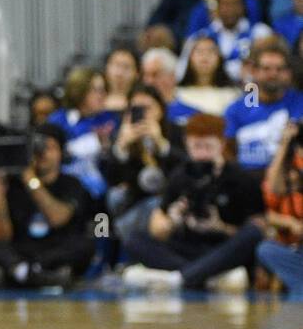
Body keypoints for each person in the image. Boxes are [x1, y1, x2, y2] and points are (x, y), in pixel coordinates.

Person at [121, 113, 265, 290]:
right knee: (134, 239)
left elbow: (259, 229)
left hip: (222, 248)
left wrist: (220, 227)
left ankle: (181, 277)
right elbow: (157, 229)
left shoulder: (241, 179)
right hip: (186, 247)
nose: (202, 153)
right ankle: (201, 276)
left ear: (221, 144)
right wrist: (173, 220)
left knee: (253, 234)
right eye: (197, 146)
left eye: (208, 146)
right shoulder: (180, 176)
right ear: (187, 145)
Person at [0, 123, 94, 287]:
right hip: (19, 250)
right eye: (37, 147)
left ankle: (22, 271)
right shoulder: (12, 184)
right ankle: (25, 271)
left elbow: (58, 218)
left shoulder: (71, 183)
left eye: (50, 147)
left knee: (85, 244)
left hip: (53, 249)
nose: (43, 153)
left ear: (61, 153)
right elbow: (0, 236)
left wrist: (30, 179)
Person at [101, 83, 188, 244]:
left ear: (161, 110)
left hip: (170, 195)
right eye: (135, 109)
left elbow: (186, 170)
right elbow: (110, 179)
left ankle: (119, 234)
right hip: (136, 198)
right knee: (115, 196)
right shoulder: (121, 135)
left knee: (155, 204)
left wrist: (162, 145)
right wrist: (122, 148)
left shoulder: (176, 132)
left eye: (148, 108)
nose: (143, 114)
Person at [223, 42, 303, 173]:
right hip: (246, 179)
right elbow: (228, 151)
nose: (273, 74)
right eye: (266, 68)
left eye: (279, 69)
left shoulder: (300, 103)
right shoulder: (237, 109)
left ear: (288, 72)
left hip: (288, 179)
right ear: (254, 71)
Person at [180, 0, 273, 82]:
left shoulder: (261, 34)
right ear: (217, 7)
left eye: (235, 3)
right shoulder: (200, 37)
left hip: (250, 93)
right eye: (225, 4)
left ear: (243, 7)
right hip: (214, 93)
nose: (230, 9)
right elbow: (181, 72)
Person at [48, 67, 114, 204]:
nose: (102, 95)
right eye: (96, 90)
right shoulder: (57, 120)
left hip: (102, 190)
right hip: (64, 188)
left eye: (104, 90)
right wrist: (94, 143)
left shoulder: (110, 119)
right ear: (79, 91)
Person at [255, 121, 303, 294]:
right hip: (295, 249)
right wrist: (285, 144)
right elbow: (274, 188)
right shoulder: (292, 167)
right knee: (266, 249)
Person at [175, 34, 241, 114]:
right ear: (189, 58)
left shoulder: (233, 94)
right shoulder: (177, 94)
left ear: (220, 58)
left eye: (211, 51)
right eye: (199, 51)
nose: (205, 56)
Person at [140, 46, 199, 126]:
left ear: (172, 76)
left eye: (155, 74)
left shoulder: (192, 116)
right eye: (145, 75)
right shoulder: (134, 112)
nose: (148, 81)